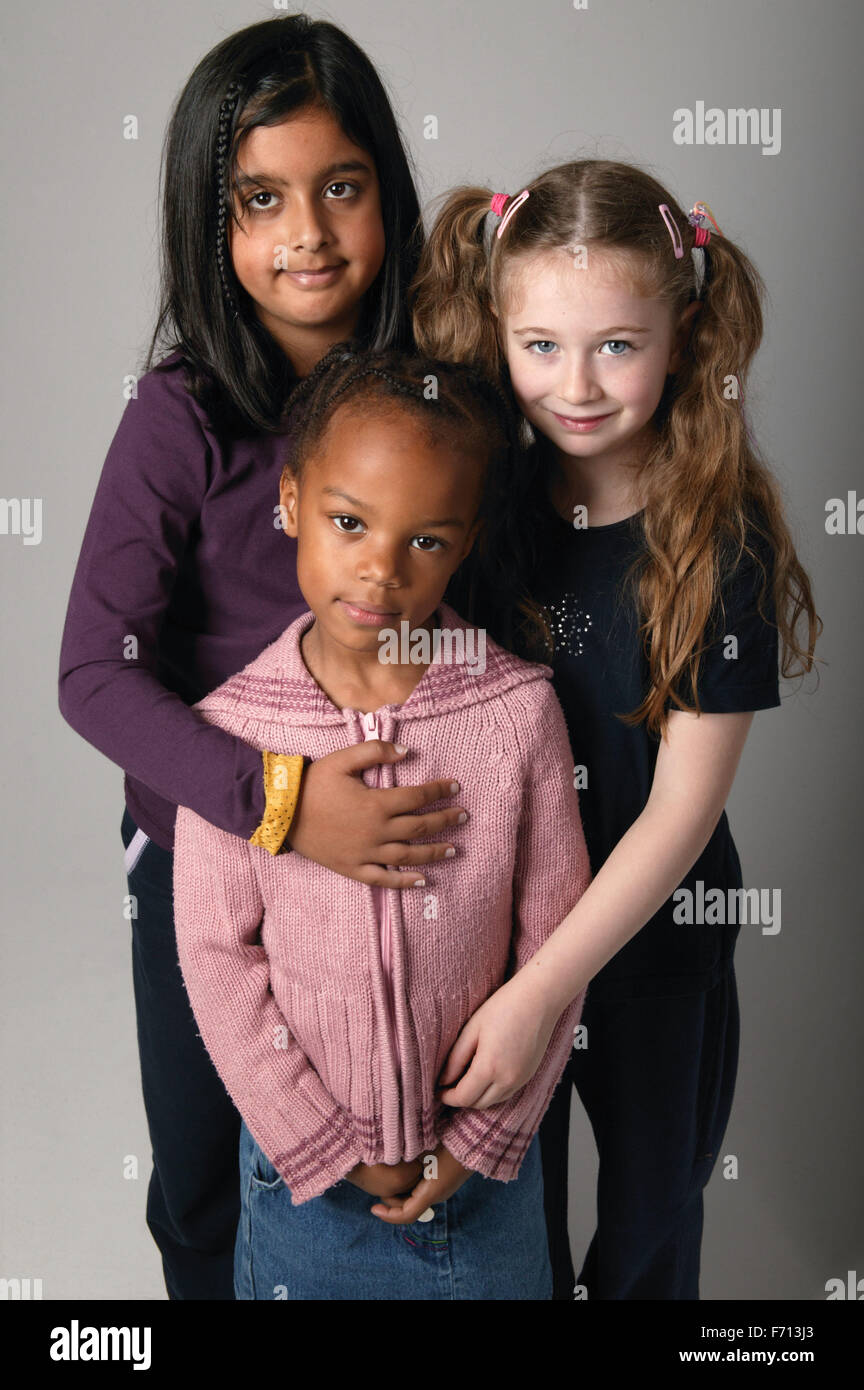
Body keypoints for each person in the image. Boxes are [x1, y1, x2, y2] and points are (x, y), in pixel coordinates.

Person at [57, 14, 469, 1301]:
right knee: (206, 1177)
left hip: (407, 854)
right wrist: (283, 806)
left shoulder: (442, 402)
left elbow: (496, 621)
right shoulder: (177, 420)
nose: (307, 234)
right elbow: (94, 676)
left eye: (340, 189)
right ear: (210, 218)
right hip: (210, 859)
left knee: (418, 1145)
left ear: (385, 198)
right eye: (261, 199)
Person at [409, 160, 821, 1298]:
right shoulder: (480, 505)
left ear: (682, 334)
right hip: (497, 942)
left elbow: (685, 812)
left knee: (644, 1229)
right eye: (540, 344)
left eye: (617, 346)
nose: (575, 383)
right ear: (497, 331)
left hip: (652, 949)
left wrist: (549, 989)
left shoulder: (712, 535)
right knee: (512, 1228)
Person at [171, 345, 591, 1300]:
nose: (380, 570)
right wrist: (322, 1144)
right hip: (304, 1198)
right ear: (289, 501)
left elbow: (557, 941)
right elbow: (215, 955)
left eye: (427, 540)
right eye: (349, 522)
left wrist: (487, 1137)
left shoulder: (518, 711)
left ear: (470, 538)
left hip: (486, 1194)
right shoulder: (234, 733)